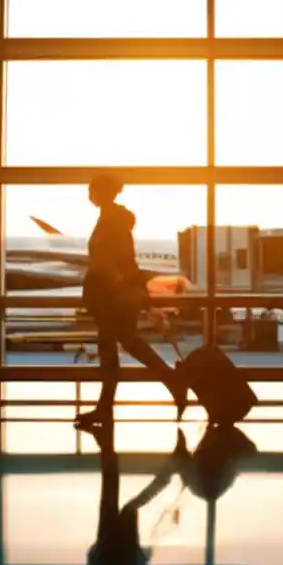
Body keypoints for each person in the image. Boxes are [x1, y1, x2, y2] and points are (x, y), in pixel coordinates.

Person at [75, 175, 188, 440]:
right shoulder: (111, 219)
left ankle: (169, 383)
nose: (89, 194)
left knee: (115, 349)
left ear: (102, 192)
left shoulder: (113, 222)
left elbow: (122, 262)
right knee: (123, 345)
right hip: (109, 296)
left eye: (92, 189)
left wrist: (120, 288)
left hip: (110, 297)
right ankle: (169, 383)